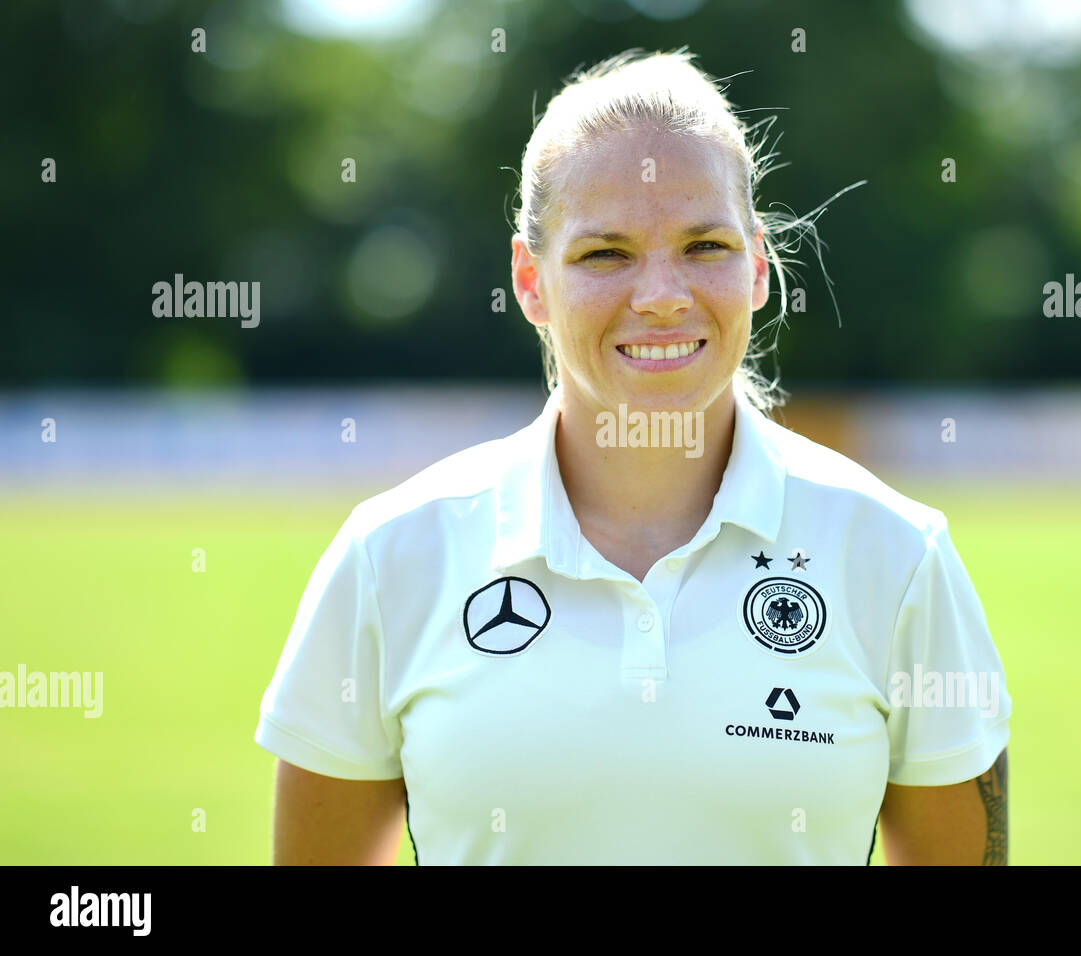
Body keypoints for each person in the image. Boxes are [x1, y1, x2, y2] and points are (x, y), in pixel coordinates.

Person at [255, 47, 1011, 865]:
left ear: (758, 265)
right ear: (530, 278)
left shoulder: (898, 555)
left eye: (705, 246)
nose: (660, 295)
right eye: (605, 253)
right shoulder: (388, 557)